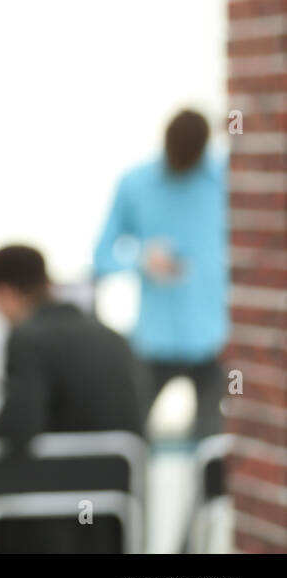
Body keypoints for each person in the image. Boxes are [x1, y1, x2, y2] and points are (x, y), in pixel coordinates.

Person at [0, 245, 145, 553]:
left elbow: (18, 427)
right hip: (106, 516)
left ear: (5, 292)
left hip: (46, 513)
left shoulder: (28, 338)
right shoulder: (114, 340)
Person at [93, 109, 229, 440]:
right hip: (154, 343)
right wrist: (142, 259)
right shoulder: (135, 184)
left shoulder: (226, 180)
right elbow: (101, 258)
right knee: (130, 436)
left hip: (213, 341)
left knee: (212, 446)